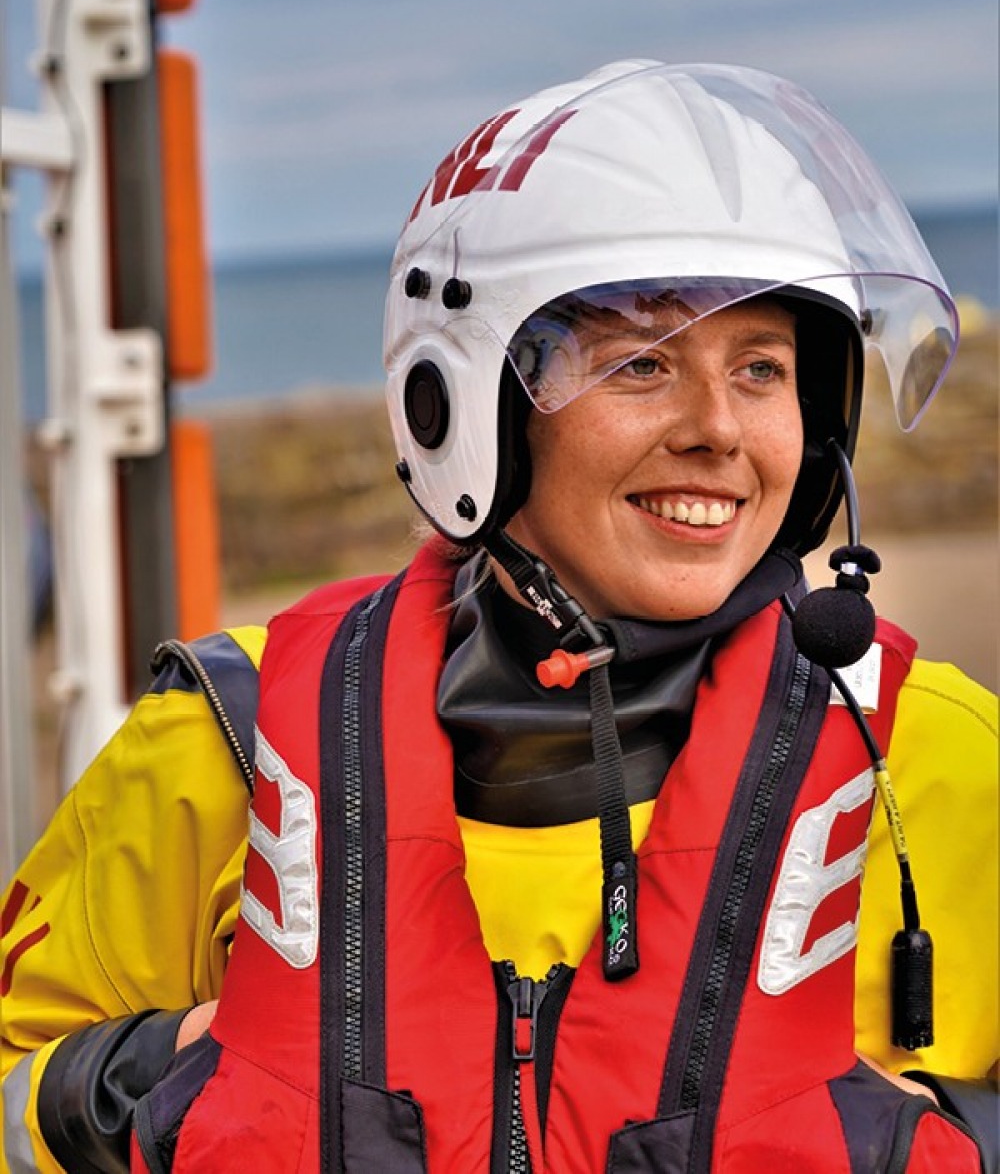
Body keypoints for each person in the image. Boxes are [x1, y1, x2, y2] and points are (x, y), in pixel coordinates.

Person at [2, 61, 996, 1173]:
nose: (718, 429)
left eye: (761, 369)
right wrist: (143, 1082)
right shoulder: (229, 742)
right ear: (467, 406)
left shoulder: (940, 759)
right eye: (642, 364)